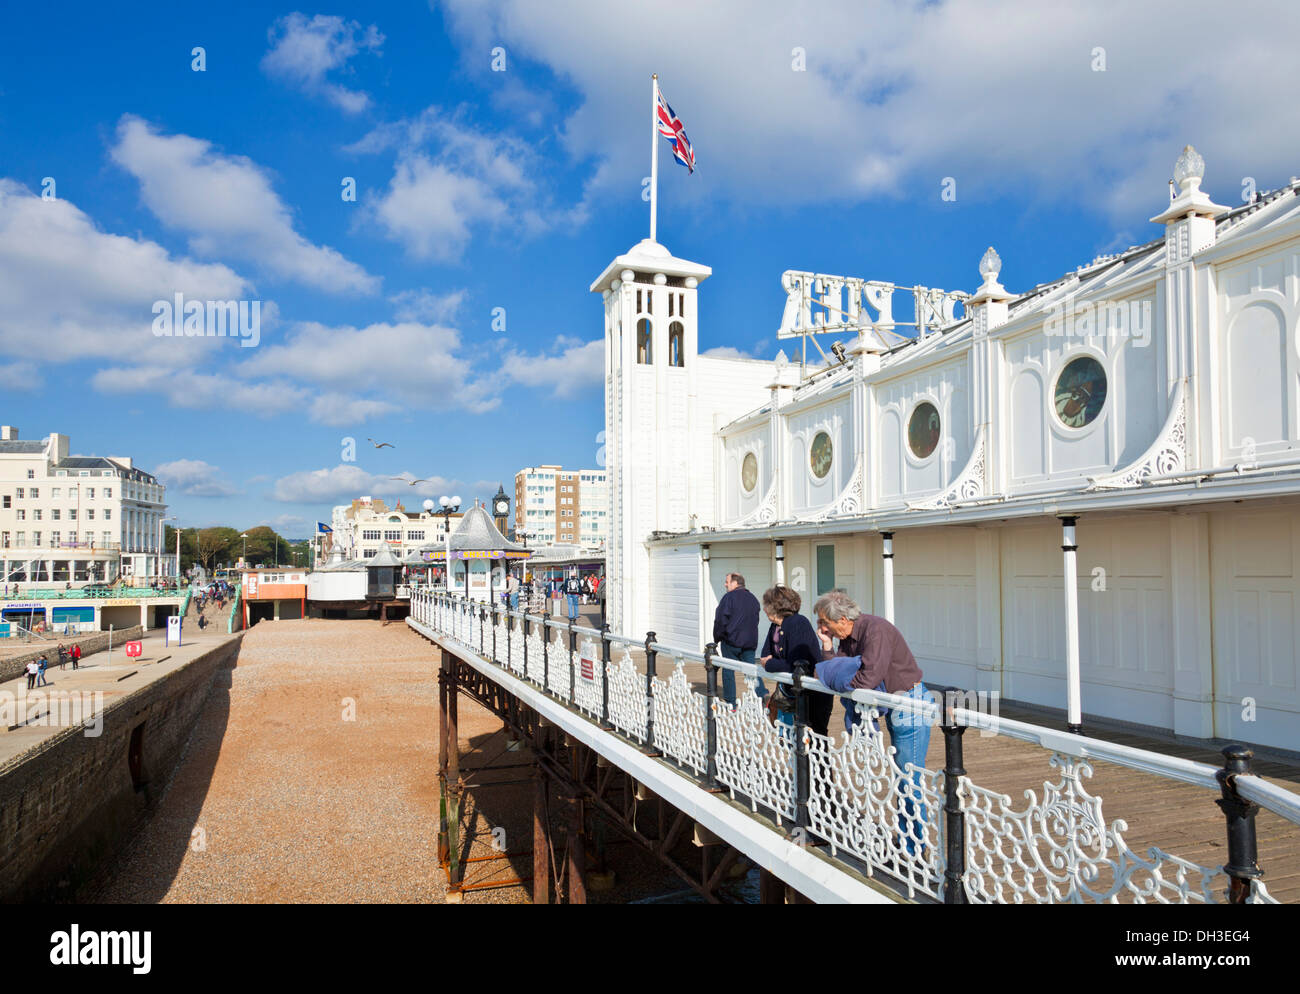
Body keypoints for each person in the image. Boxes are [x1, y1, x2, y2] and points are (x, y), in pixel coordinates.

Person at [813, 589, 931, 856]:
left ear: (842, 619)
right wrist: (828, 648)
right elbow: (839, 671)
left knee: (908, 776)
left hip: (908, 704)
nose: (822, 627)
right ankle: (907, 839)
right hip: (889, 703)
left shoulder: (876, 630)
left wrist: (841, 681)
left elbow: (865, 679)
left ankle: (915, 849)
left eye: (825, 623)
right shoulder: (848, 636)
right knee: (901, 775)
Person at [757, 586, 833, 737]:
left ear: (775, 607)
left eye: (765, 604)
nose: (763, 609)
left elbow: (796, 665)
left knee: (815, 739)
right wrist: (771, 662)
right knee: (795, 741)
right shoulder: (776, 626)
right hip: (793, 693)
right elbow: (765, 654)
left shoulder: (798, 623)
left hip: (813, 693)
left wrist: (771, 664)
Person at [711, 572, 763, 706]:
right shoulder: (753, 599)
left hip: (731, 641)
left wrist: (717, 638)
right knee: (752, 671)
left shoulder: (728, 598)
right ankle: (762, 697)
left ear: (735, 583)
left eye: (727, 582)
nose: (725, 584)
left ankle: (731, 702)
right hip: (749, 643)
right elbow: (755, 620)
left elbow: (720, 620)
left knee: (728, 670)